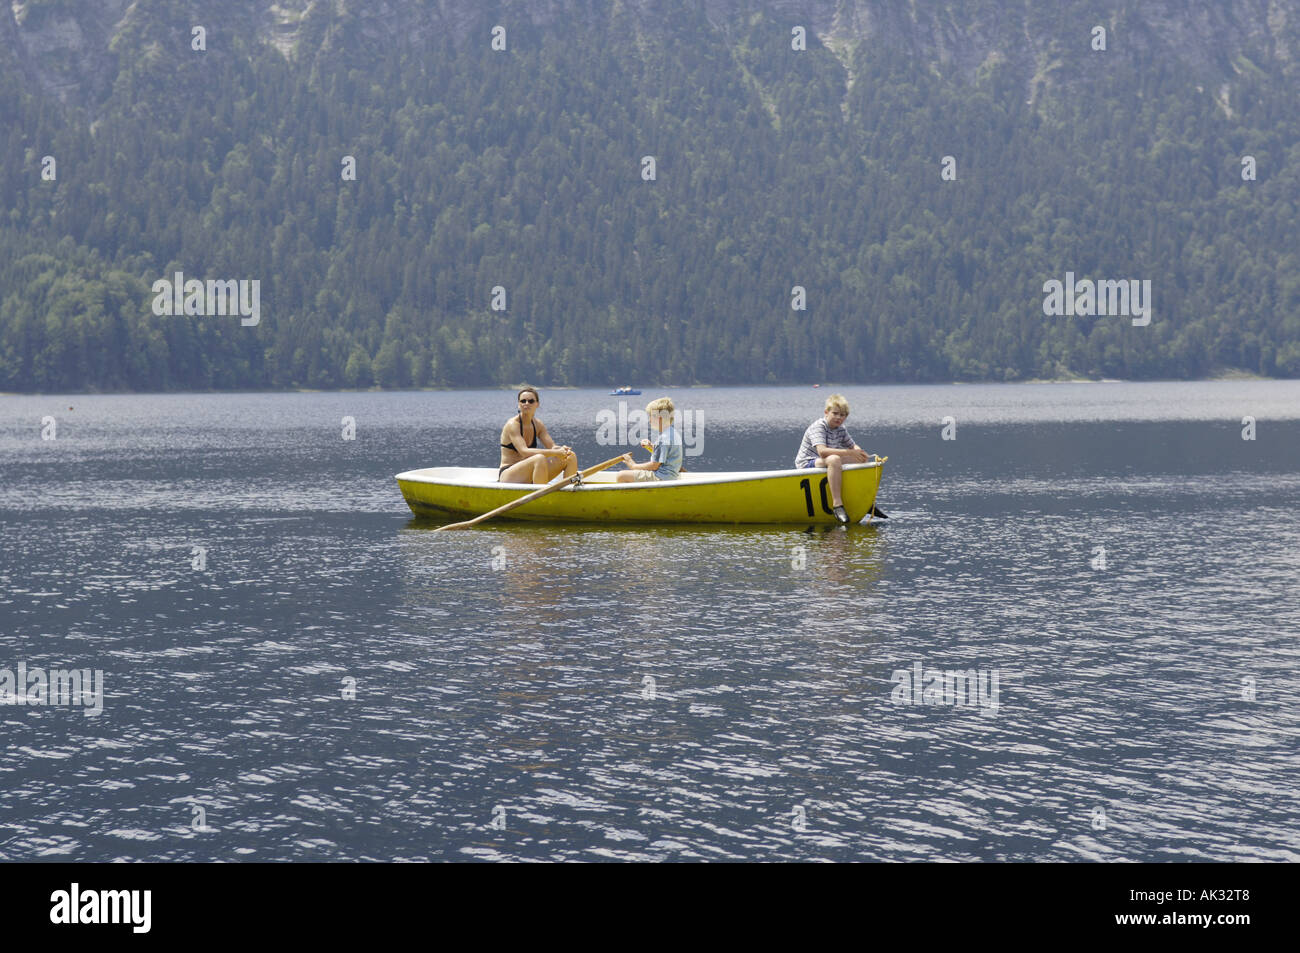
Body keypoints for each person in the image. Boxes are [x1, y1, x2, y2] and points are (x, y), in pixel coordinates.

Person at [793, 394, 877, 523]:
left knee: (860, 459)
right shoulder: (819, 426)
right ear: (826, 412)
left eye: (842, 415)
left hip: (827, 460)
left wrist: (860, 452)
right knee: (834, 459)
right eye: (835, 413)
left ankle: (865, 503)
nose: (838, 417)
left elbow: (852, 446)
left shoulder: (841, 429)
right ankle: (837, 505)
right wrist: (848, 452)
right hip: (808, 462)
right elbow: (822, 452)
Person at [497, 388, 578, 484]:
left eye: (531, 401)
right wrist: (555, 453)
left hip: (531, 472)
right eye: (523, 401)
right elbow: (524, 452)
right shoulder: (513, 425)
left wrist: (562, 450)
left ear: (537, 404)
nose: (526, 403)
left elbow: (552, 447)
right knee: (539, 458)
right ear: (519, 404)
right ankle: (542, 497)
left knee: (570, 456)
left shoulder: (538, 424)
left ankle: (569, 494)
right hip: (509, 474)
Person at [616, 397, 683, 482]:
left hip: (661, 477)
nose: (649, 420)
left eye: (651, 416)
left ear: (660, 418)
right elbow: (666, 455)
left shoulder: (663, 438)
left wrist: (633, 465)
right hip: (670, 476)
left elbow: (654, 465)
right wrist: (652, 447)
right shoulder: (672, 433)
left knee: (621, 476)